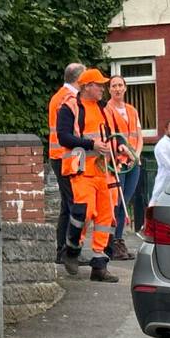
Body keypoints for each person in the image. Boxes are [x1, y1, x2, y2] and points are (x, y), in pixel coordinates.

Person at [56, 68, 120, 283]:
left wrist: (118, 148)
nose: (103, 89)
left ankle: (99, 266)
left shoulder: (103, 109)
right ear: (86, 87)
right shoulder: (70, 107)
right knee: (84, 211)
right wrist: (91, 144)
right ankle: (72, 250)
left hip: (103, 171)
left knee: (106, 217)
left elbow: (110, 137)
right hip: (81, 169)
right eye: (98, 85)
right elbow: (64, 137)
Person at [48, 63, 85, 264]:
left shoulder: (59, 96)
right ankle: (70, 250)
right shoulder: (67, 98)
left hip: (60, 156)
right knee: (73, 204)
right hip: (65, 157)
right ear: (79, 79)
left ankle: (63, 249)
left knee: (67, 205)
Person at [103, 75, 142, 261]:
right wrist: (127, 152)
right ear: (109, 90)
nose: (117, 89)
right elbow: (115, 138)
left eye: (120, 85)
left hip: (133, 163)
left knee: (126, 202)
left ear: (125, 88)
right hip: (118, 164)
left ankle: (117, 241)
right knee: (117, 204)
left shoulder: (132, 110)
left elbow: (139, 136)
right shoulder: (107, 110)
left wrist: (137, 155)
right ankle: (113, 241)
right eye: (114, 86)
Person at [150, 120, 170, 205]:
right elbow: (167, 163)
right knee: (157, 200)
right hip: (165, 178)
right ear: (166, 130)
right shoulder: (162, 145)